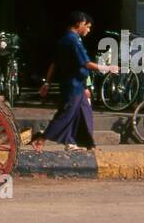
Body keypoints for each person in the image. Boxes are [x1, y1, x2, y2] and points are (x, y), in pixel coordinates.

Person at [33, 12, 117, 152]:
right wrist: (107, 68)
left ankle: (85, 144)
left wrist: (47, 83)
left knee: (84, 113)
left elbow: (54, 64)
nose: (88, 30)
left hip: (76, 84)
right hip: (74, 85)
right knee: (66, 114)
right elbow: (85, 64)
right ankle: (41, 140)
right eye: (87, 26)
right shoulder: (73, 41)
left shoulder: (64, 40)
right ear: (79, 24)